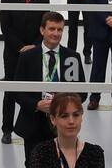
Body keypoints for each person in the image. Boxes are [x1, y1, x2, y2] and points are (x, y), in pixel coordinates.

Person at [13, 11, 85, 152]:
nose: (56, 33)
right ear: (42, 30)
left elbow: (82, 93)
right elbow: (17, 92)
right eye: (52, 29)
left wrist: (64, 106)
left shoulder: (72, 57)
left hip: (63, 124)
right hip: (33, 122)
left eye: (59, 30)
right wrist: (36, 105)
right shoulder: (27, 57)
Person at [0, 0, 49, 143]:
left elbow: (44, 26)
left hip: (35, 52)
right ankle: (7, 129)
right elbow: (5, 27)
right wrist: (21, 47)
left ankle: (32, 127)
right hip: (13, 52)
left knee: (33, 91)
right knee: (10, 91)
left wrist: (34, 46)